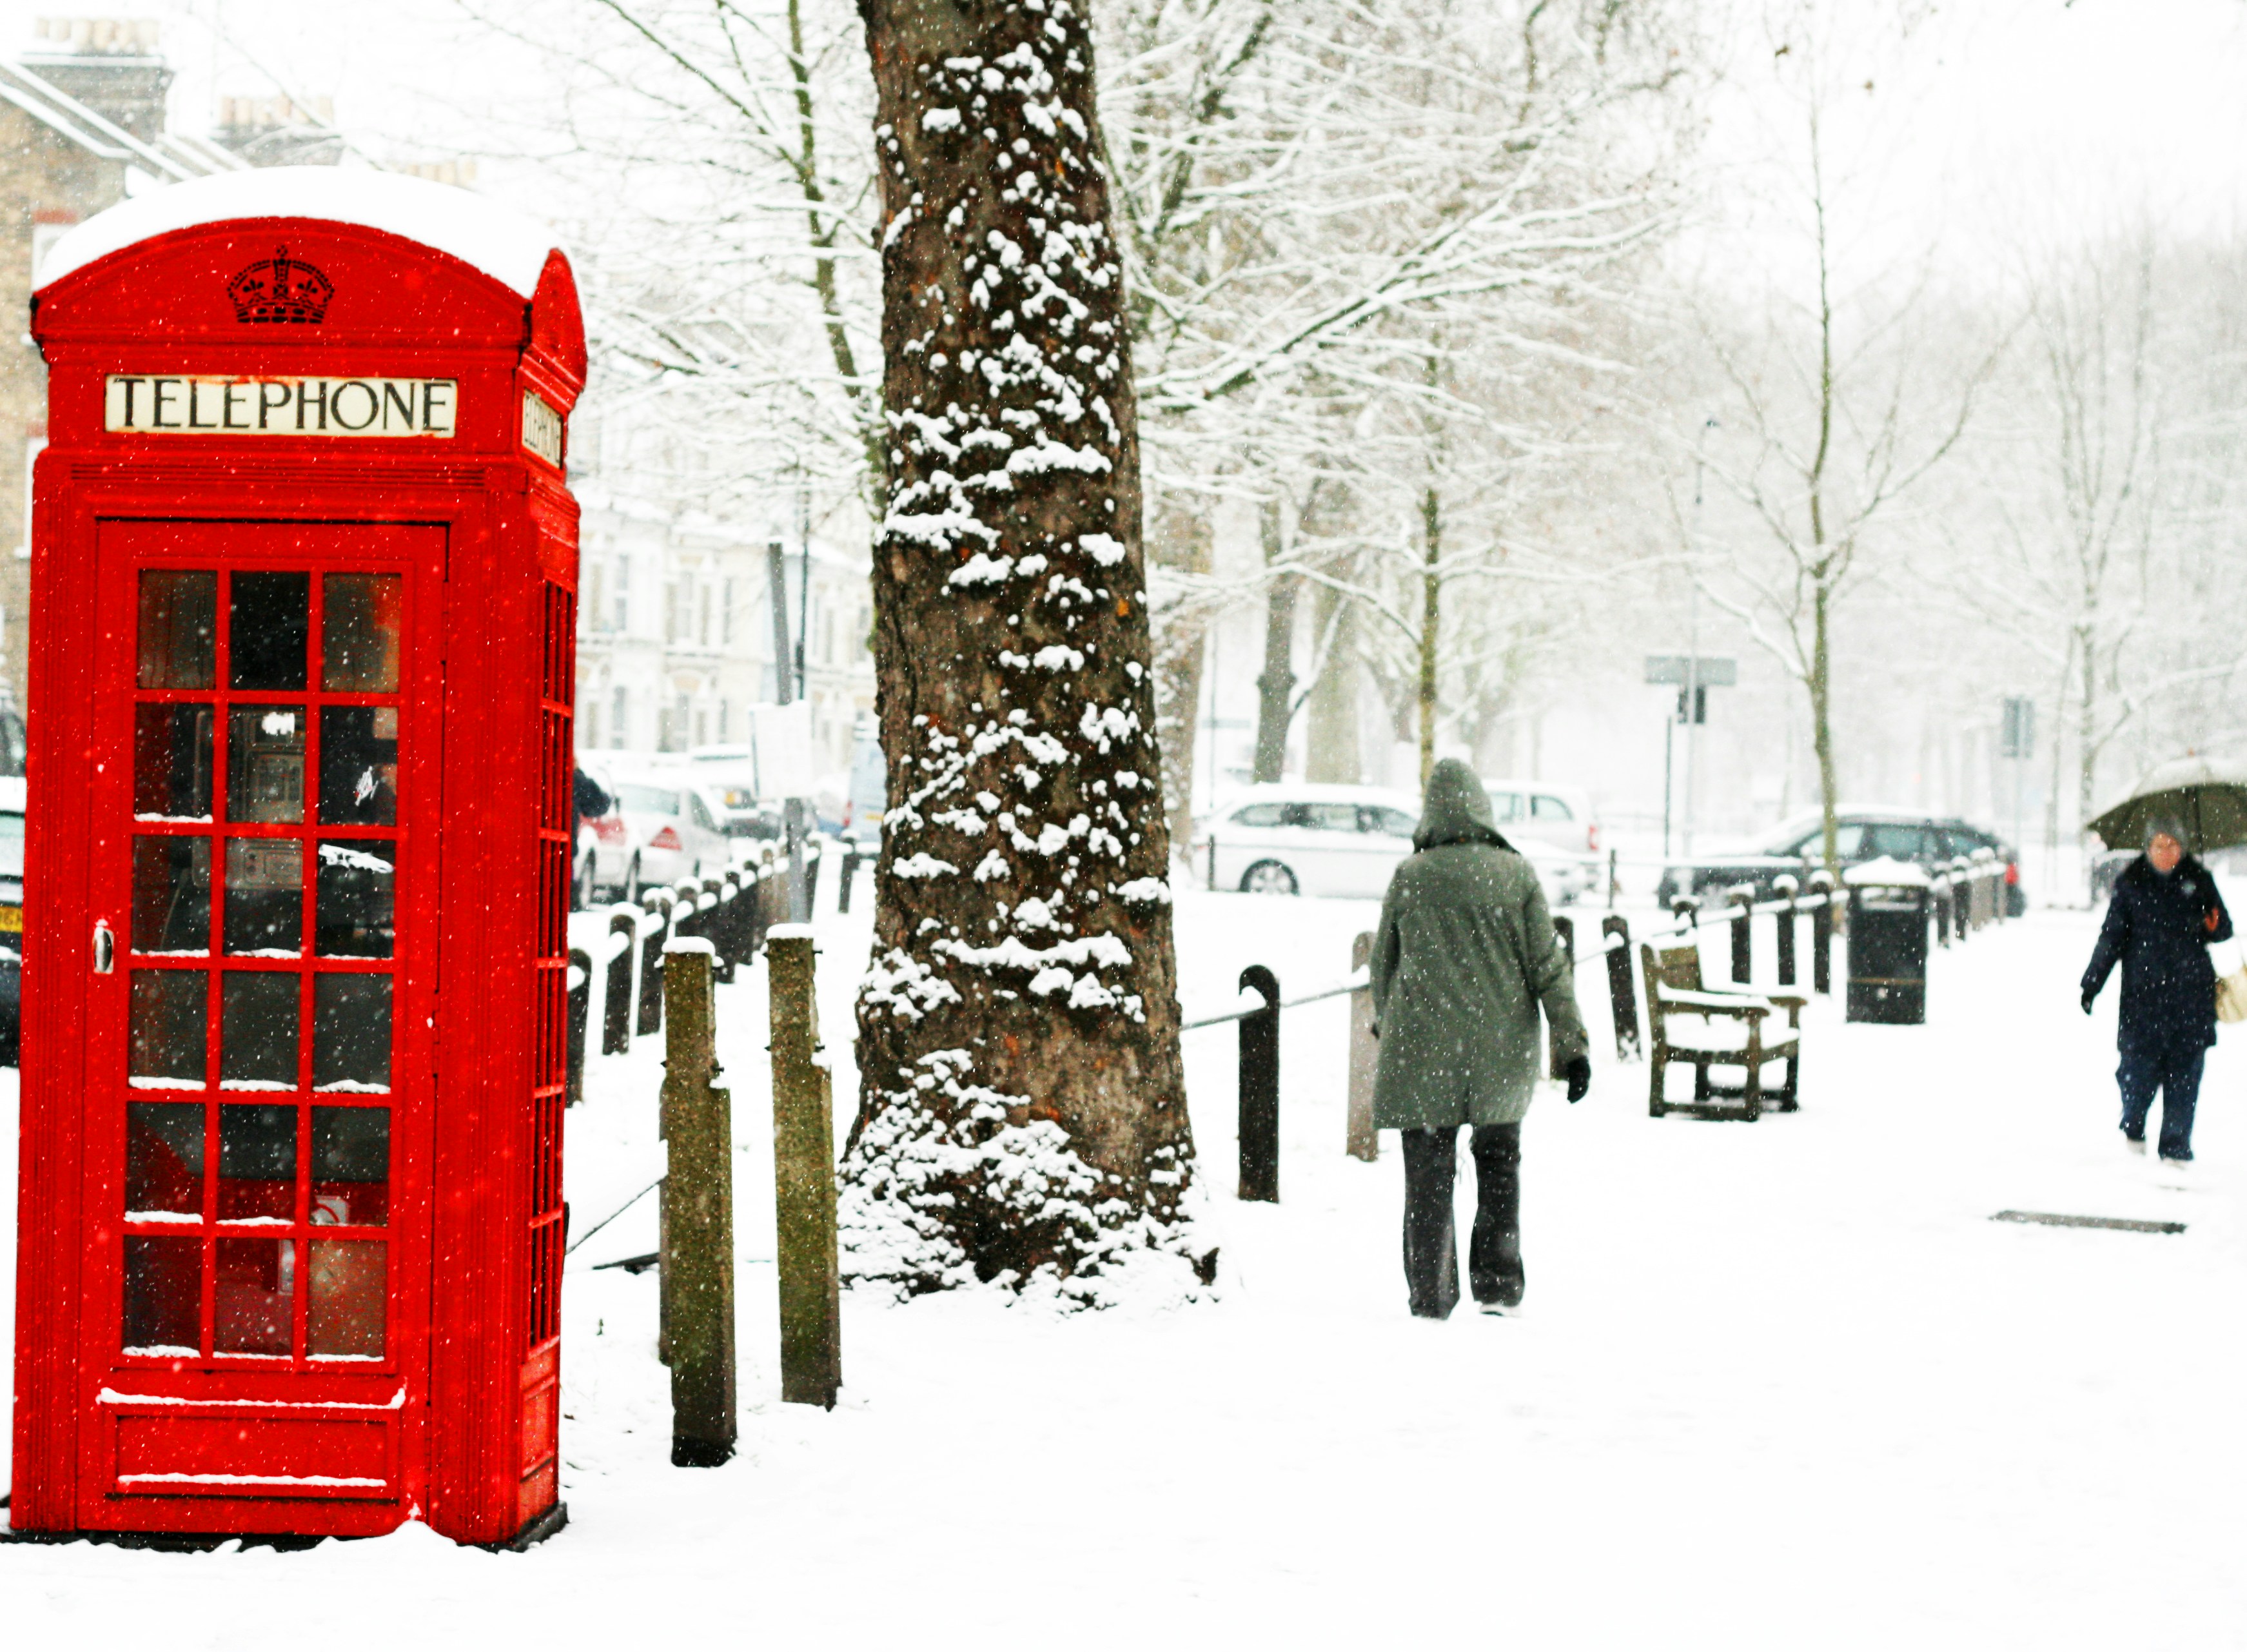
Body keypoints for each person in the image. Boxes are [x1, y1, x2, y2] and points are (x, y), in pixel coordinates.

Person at [1369, 758, 1591, 1319]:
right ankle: (1496, 1284)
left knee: (1427, 1174)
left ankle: (1431, 1294)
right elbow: (1548, 965)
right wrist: (1572, 1045)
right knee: (1498, 1164)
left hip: (1423, 1050)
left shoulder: (1411, 876)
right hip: (1501, 1050)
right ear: (1482, 808)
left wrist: (1385, 1018)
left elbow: (1382, 964)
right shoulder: (1515, 874)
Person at [2081, 817, 2232, 1166]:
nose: (2167, 852)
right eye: (2159, 845)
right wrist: (2092, 983)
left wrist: (2216, 923)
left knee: (2186, 1077)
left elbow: (2223, 929)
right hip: (2143, 998)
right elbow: (2111, 938)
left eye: (2173, 845)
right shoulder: (2131, 883)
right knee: (2137, 1074)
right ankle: (2134, 1123)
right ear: (2148, 848)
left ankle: (2176, 1149)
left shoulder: (2199, 880)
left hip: (2191, 997)